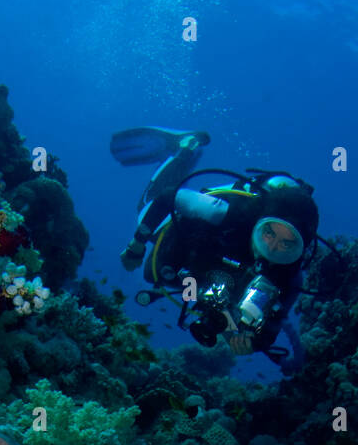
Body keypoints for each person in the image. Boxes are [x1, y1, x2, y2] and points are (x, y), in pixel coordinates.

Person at [110, 127, 319, 361]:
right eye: (269, 233)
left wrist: (248, 342)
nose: (271, 248)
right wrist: (136, 246)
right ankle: (185, 149)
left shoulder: (289, 277)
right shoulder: (228, 214)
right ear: (259, 224)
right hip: (194, 243)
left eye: (286, 244)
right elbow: (169, 197)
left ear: (299, 250)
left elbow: (270, 331)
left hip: (210, 280)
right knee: (146, 210)